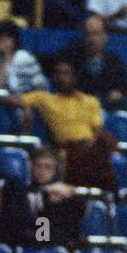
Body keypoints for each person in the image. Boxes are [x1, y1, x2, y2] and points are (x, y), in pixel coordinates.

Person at [10, 57, 117, 190]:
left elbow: (98, 129)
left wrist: (91, 144)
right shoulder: (44, 98)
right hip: (65, 150)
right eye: (58, 73)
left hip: (89, 147)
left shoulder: (90, 101)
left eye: (66, 73)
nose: (61, 77)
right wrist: (25, 107)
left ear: (74, 77)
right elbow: (10, 98)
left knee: (104, 146)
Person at [0, 143, 86, 248]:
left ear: (55, 170)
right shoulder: (18, 190)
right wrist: (45, 196)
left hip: (56, 244)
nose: (42, 171)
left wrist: (70, 194)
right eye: (38, 166)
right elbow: (39, 234)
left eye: (47, 167)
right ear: (31, 167)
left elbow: (79, 213)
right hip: (29, 242)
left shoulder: (63, 193)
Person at [58, 12, 127, 105]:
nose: (92, 39)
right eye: (88, 34)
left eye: (96, 34)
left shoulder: (115, 63)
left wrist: (119, 96)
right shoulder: (72, 60)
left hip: (108, 110)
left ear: (105, 36)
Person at [0, 20, 47, 96]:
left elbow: (40, 87)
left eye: (8, 37)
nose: (4, 41)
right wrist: (5, 58)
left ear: (15, 40)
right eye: (0, 38)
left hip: (25, 99)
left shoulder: (26, 58)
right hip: (0, 100)